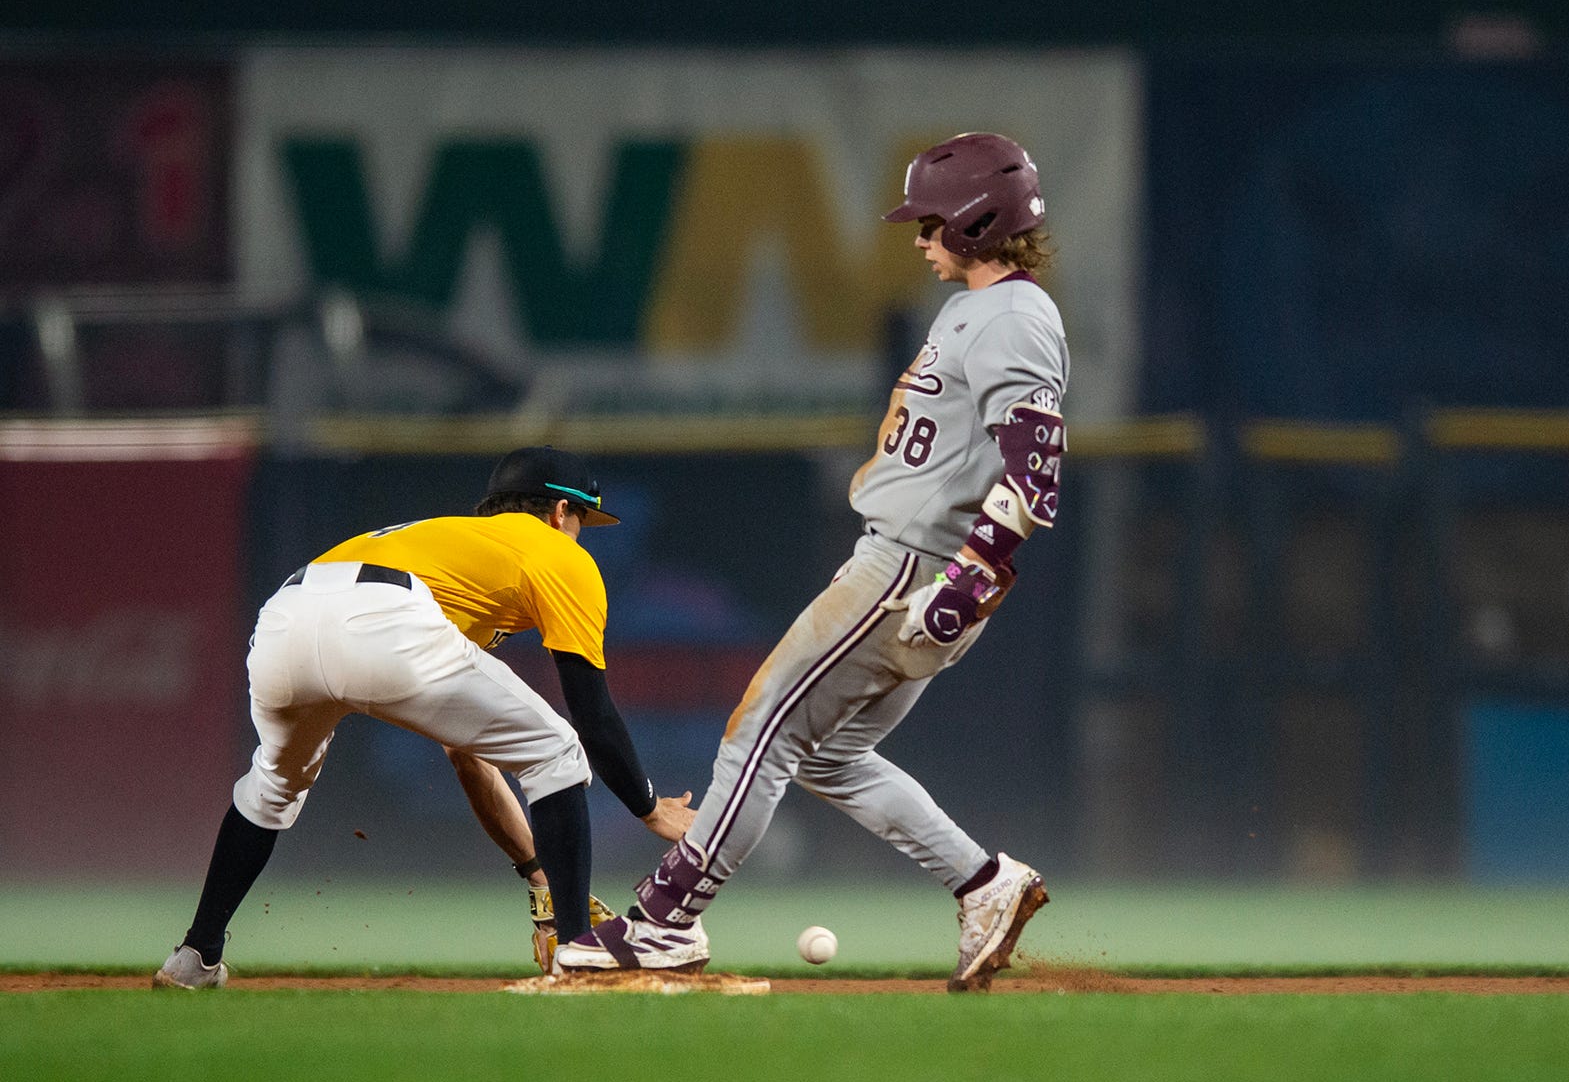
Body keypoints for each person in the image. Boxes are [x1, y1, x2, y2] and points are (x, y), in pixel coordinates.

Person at [558, 133, 1064, 992]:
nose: (920, 237)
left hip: (912, 568)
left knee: (758, 731)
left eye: (932, 220)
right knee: (825, 754)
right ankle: (984, 883)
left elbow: (1034, 473)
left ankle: (665, 920)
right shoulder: (978, 308)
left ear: (978, 220)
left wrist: (970, 577)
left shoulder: (1013, 316)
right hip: (909, 562)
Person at [153, 446, 693, 988]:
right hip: (384, 615)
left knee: (271, 788)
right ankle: (578, 953)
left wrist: (539, 875)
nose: (580, 535)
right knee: (558, 749)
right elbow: (592, 712)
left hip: (284, 618)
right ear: (559, 512)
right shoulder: (557, 554)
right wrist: (648, 807)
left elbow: (466, 751)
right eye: (581, 521)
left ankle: (194, 957)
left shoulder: (452, 550)